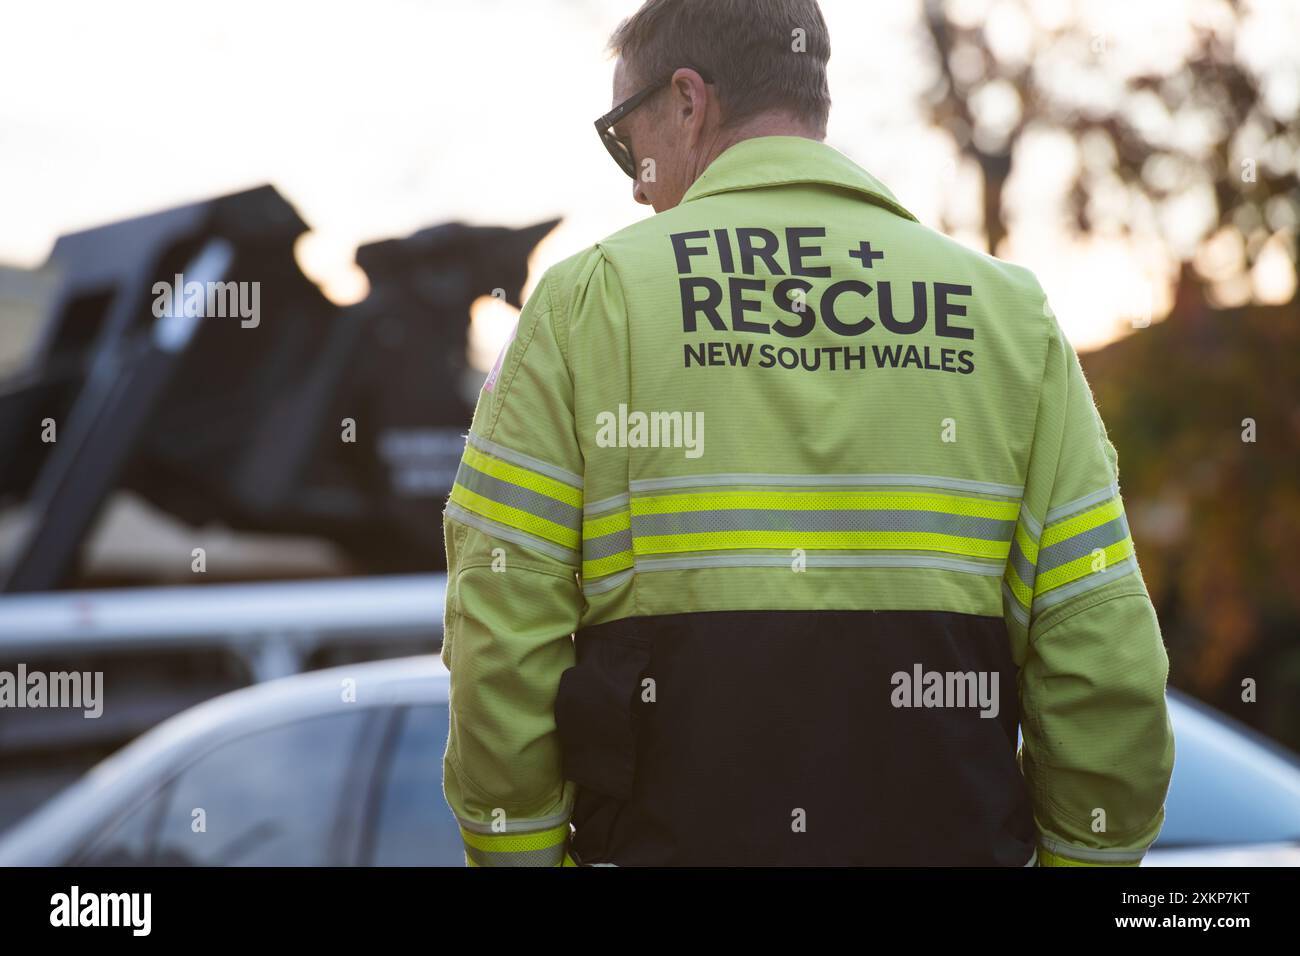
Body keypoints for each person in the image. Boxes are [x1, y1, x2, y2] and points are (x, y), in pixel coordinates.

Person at [440, 0, 1175, 866]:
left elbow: (500, 631)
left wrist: (523, 858)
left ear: (688, 101)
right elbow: (1103, 650)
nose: (635, 182)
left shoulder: (584, 308)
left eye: (623, 139)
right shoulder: (1011, 319)